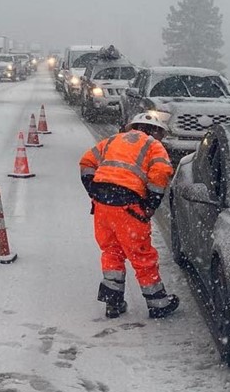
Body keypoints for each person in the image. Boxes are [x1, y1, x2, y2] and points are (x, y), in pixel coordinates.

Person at [79, 112, 179, 319]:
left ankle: (113, 303)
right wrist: (151, 203)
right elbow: (161, 172)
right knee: (142, 255)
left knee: (111, 251)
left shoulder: (112, 140)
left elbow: (86, 162)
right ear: (157, 131)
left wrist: (94, 190)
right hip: (129, 206)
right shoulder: (153, 145)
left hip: (102, 206)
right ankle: (158, 304)